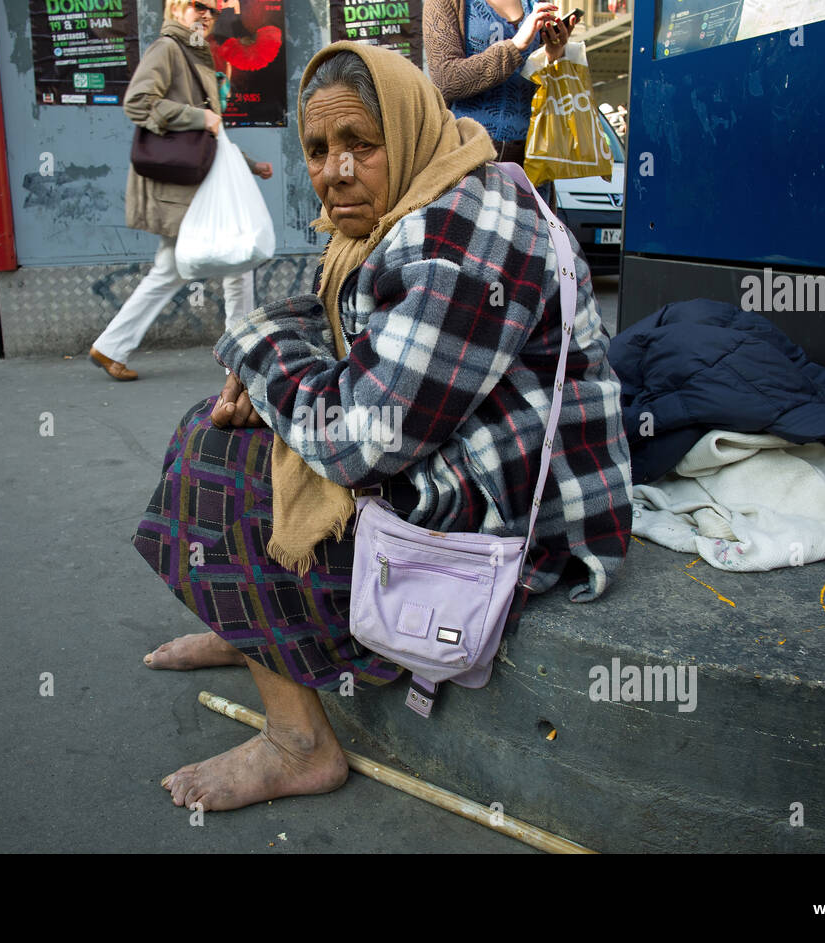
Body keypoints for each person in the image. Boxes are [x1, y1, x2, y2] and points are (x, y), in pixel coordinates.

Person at [132, 43, 632, 812]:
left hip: (511, 511)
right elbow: (343, 317)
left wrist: (255, 353)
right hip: (455, 450)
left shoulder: (465, 233)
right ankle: (253, 628)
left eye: (360, 144)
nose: (334, 170)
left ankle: (300, 741)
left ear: (407, 127)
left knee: (223, 463)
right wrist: (262, 360)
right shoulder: (425, 191)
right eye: (318, 149)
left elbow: (362, 439)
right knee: (220, 422)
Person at [89, 0, 274, 382]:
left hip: (193, 184)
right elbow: (138, 104)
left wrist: (249, 164)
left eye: (211, 9)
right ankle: (238, 354)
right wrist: (197, 115)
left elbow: (210, 136)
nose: (206, 14)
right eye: (196, 6)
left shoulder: (195, 54)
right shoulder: (168, 49)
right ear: (175, 10)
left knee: (213, 265)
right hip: (180, 188)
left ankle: (112, 347)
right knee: (228, 261)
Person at [424, 0, 577, 186]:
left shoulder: (536, 3)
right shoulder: (447, 3)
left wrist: (553, 53)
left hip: (532, 161)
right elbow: (446, 79)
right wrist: (516, 45)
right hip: (467, 160)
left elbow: (543, 89)